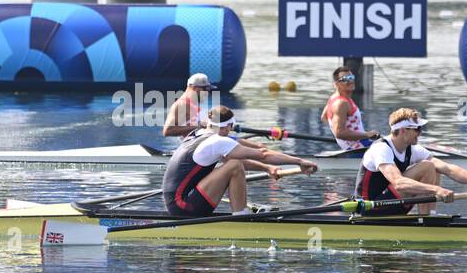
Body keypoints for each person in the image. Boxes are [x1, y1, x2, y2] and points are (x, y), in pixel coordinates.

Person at [162, 107, 318, 217]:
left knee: (233, 163)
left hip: (175, 204)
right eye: (231, 128)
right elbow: (262, 154)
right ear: (228, 126)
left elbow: (235, 159)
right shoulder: (218, 141)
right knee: (235, 165)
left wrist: (267, 168)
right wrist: (299, 161)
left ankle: (239, 212)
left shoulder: (196, 134)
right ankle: (240, 215)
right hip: (185, 207)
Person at [356, 108, 467, 216]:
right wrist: (437, 190)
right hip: (370, 208)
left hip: (393, 203)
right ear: (403, 131)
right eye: (417, 129)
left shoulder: (414, 149)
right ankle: (426, 219)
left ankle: (429, 215)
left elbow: (448, 168)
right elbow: (399, 183)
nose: (420, 133)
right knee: (427, 167)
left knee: (434, 167)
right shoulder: (381, 149)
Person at [321, 66, 380, 151]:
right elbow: (339, 133)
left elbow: (324, 117)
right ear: (336, 84)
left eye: (351, 77)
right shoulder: (341, 104)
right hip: (359, 147)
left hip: (358, 143)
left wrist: (341, 140)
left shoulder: (333, 98)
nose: (350, 81)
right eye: (345, 79)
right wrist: (367, 135)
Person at [162, 73, 219, 138]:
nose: (207, 93)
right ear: (194, 87)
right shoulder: (181, 105)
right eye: (206, 89)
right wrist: (199, 126)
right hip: (191, 145)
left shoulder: (193, 104)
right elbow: (167, 131)